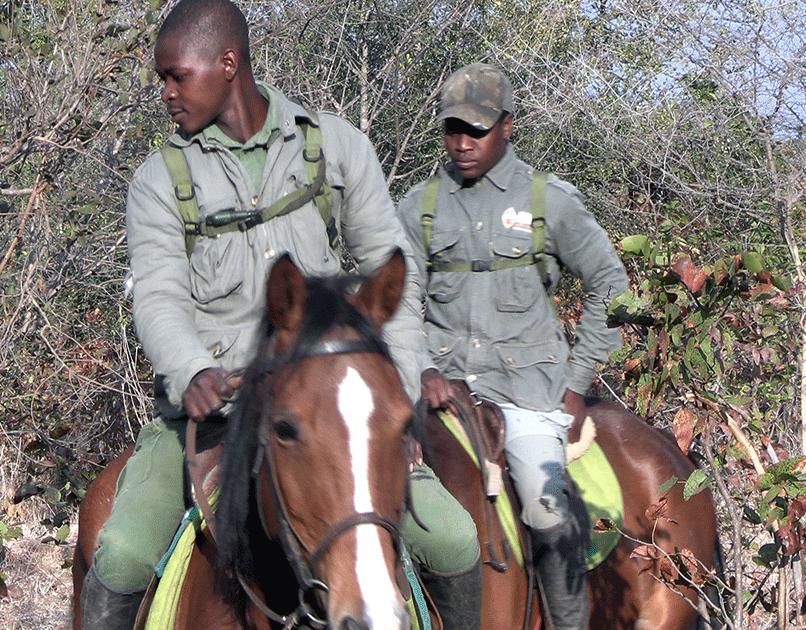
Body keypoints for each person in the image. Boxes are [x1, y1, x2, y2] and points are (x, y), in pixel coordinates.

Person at [80, 1, 482, 629]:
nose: (166, 94)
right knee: (125, 553)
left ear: (228, 63)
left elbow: (390, 273)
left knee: (454, 542)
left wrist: (397, 400)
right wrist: (190, 372)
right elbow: (158, 295)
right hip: (212, 417)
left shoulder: (333, 144)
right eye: (164, 78)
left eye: (177, 76)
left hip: (330, 413)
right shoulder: (159, 180)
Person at [396, 63, 630, 630]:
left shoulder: (550, 201)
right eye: (452, 129)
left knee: (547, 509)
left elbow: (611, 285)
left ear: (508, 125)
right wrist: (421, 368)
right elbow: (396, 302)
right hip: (441, 392)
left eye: (475, 130)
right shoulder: (417, 207)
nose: (462, 143)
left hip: (527, 393)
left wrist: (577, 384)